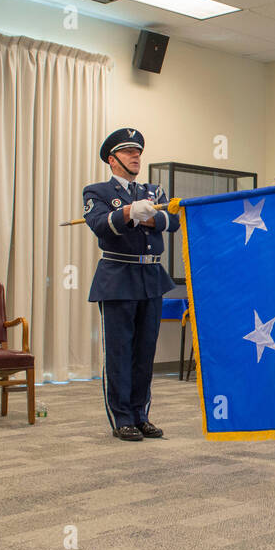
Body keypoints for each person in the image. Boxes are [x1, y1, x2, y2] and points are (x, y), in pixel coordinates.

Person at [84, 128, 180, 441]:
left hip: (151, 278)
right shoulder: (96, 191)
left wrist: (142, 215)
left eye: (137, 151)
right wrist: (127, 211)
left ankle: (141, 415)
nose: (136, 156)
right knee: (119, 352)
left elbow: (173, 221)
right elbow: (100, 224)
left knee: (144, 352)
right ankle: (121, 417)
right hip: (117, 277)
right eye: (128, 152)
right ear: (112, 160)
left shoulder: (155, 191)